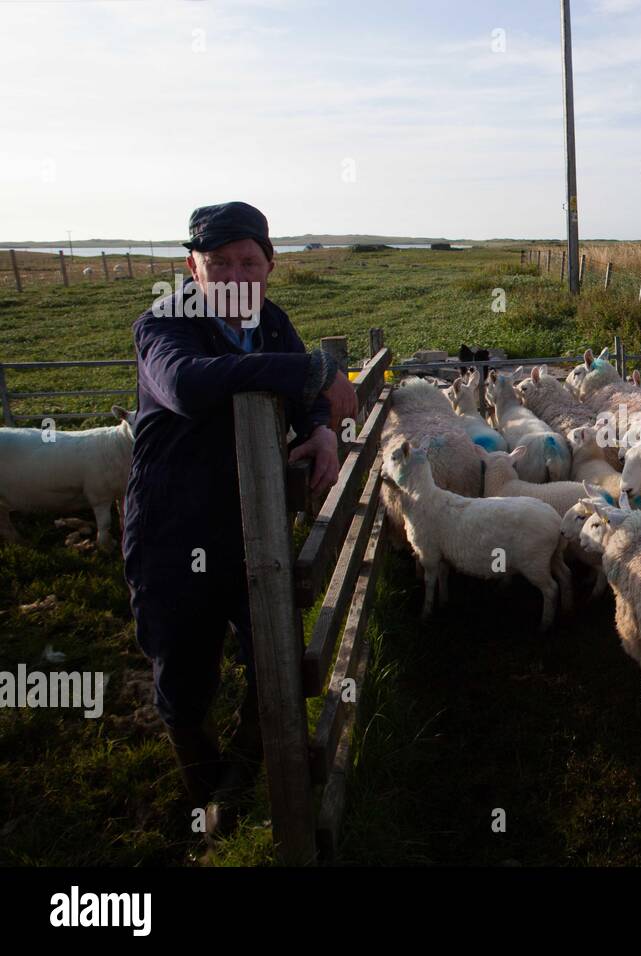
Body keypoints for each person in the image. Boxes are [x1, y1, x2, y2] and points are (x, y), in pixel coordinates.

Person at [123, 201, 358, 837]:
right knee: (184, 667)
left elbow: (306, 399)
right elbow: (189, 387)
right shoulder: (164, 323)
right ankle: (205, 786)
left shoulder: (273, 323)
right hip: (172, 530)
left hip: (254, 528)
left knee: (271, 653)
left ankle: (247, 773)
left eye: (248, 261)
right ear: (191, 269)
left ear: (270, 264)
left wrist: (322, 432)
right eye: (217, 262)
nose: (234, 275)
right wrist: (313, 371)